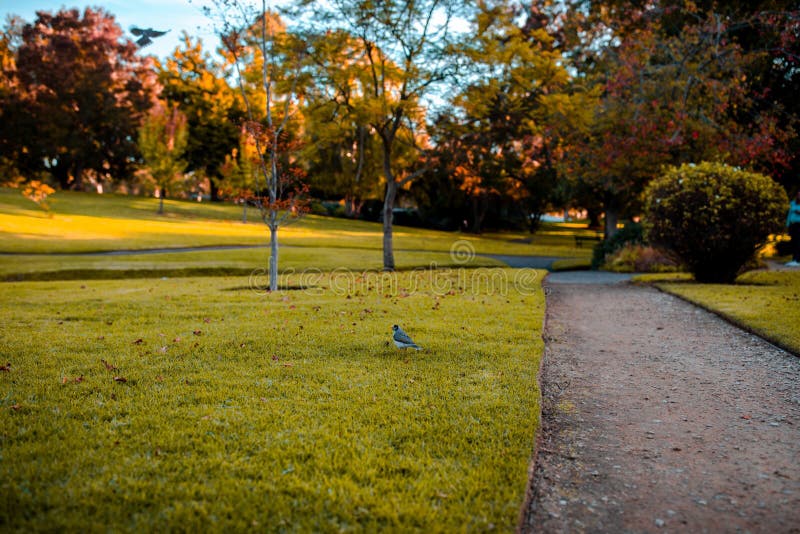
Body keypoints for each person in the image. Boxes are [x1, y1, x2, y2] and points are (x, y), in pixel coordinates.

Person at [787, 190, 800, 267]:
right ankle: (794, 259)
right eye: (798, 194)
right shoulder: (792, 203)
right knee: (794, 242)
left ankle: (798, 259)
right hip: (793, 225)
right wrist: (787, 225)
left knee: (799, 242)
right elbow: (789, 214)